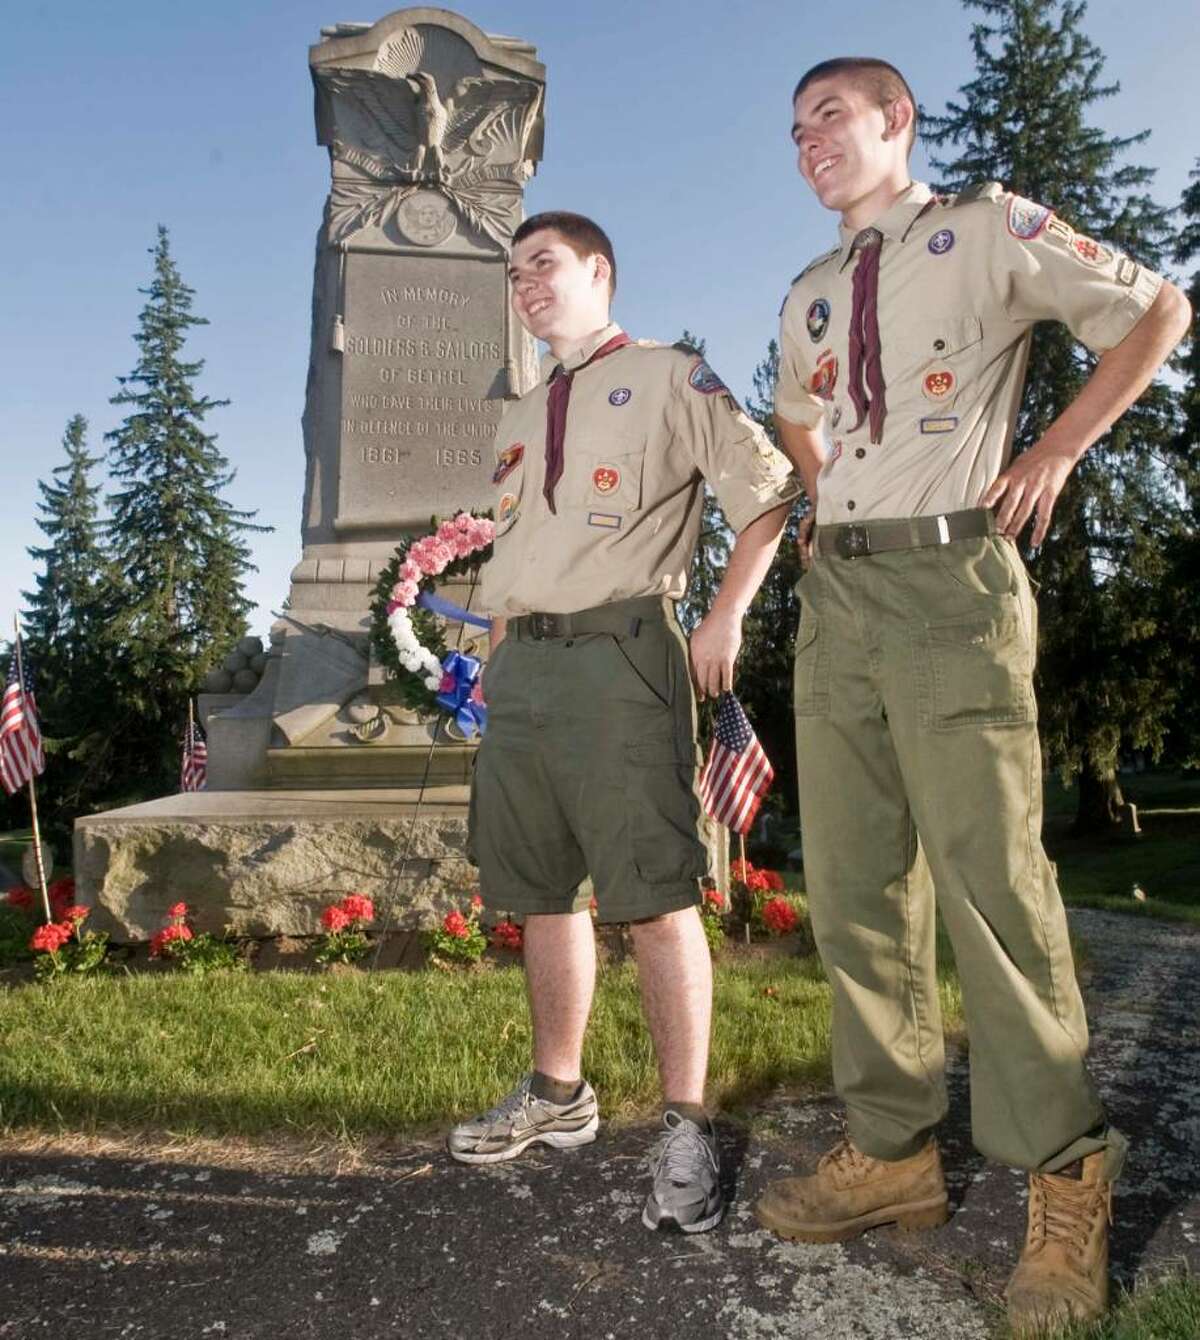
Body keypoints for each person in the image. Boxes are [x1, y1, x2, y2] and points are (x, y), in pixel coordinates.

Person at [754, 57, 1191, 1331]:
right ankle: (891, 1154)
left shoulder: (985, 227)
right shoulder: (810, 295)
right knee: (851, 889)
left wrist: (1056, 444)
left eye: (829, 115)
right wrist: (828, 489)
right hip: (839, 607)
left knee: (990, 887)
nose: (808, 142)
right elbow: (797, 416)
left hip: (954, 586)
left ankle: (1067, 1175)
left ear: (897, 121)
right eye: (793, 132)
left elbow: (1159, 308)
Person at [449, 211, 800, 1234]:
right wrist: (495, 665)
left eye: (543, 264)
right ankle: (560, 1094)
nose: (526, 284)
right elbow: (514, 555)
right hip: (525, 674)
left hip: (620, 659)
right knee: (541, 890)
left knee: (652, 893)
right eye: (514, 273)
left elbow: (769, 492)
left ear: (598, 270)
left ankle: (686, 1123)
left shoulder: (666, 376)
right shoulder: (518, 414)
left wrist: (725, 613)